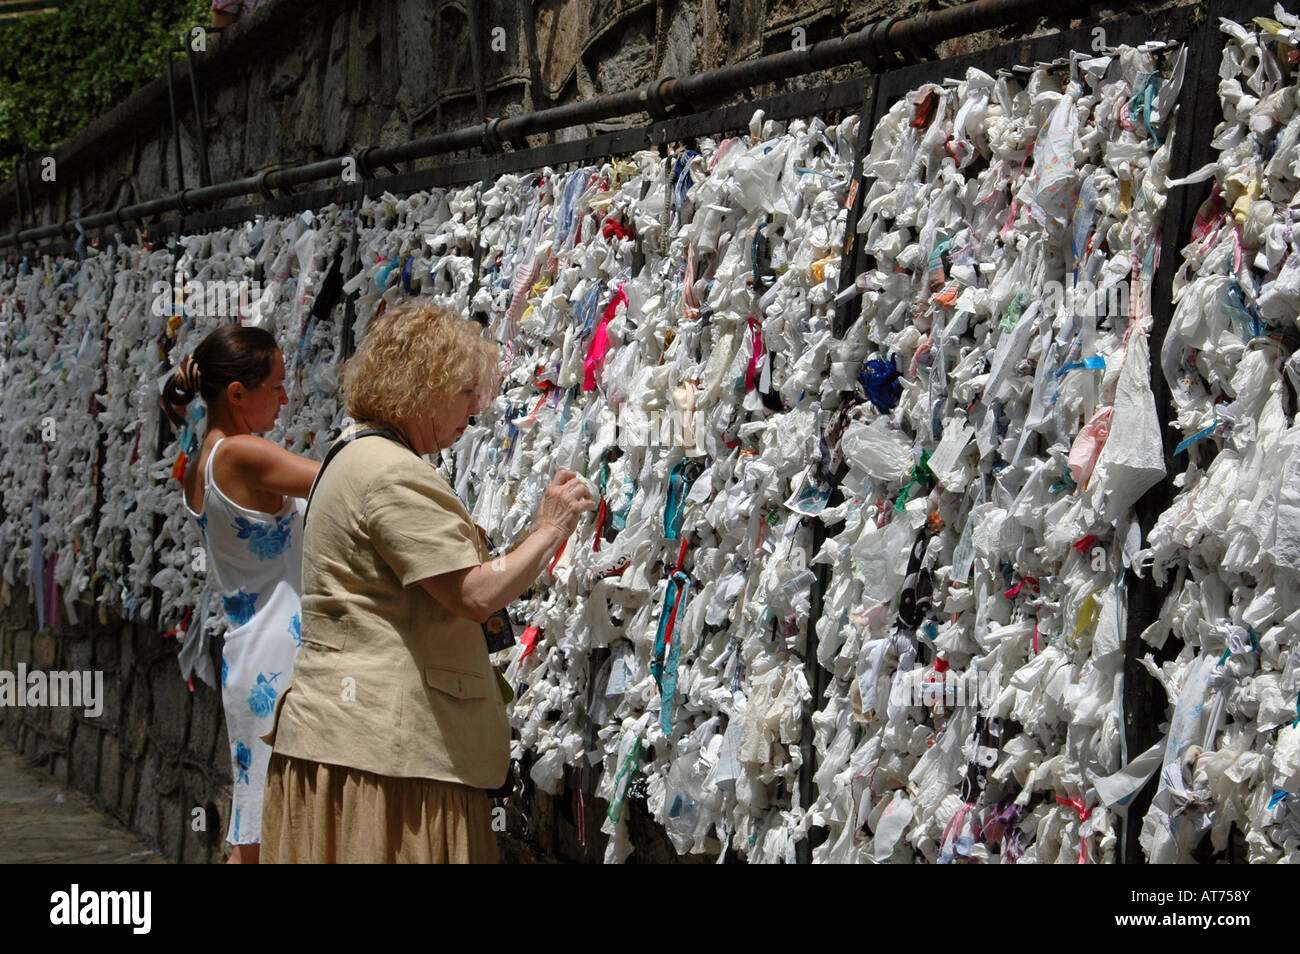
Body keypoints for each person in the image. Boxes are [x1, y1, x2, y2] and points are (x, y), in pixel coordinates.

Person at [260, 300, 593, 864]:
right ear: (423, 385)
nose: (477, 406)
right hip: (387, 756)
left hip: (350, 742)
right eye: (465, 391)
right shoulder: (391, 473)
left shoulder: (353, 457)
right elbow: (474, 594)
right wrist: (550, 529)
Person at [162, 324, 320, 864]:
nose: (285, 397)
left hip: (250, 652)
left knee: (256, 833)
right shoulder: (242, 455)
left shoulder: (204, 459)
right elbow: (342, 481)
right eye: (275, 385)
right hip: (282, 657)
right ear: (237, 393)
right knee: (268, 832)